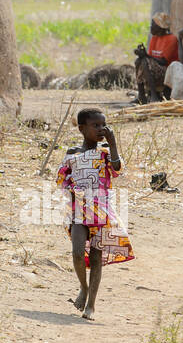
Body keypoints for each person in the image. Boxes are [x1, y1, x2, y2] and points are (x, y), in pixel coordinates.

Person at [55, 108, 134, 320]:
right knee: (78, 252)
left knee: (97, 257)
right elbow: (61, 179)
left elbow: (117, 169)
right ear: (82, 129)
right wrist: (72, 191)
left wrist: (114, 143)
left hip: (101, 210)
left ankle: (91, 305)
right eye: (95, 126)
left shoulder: (106, 153)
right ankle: (83, 286)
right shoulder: (72, 153)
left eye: (103, 125)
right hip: (78, 209)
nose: (101, 130)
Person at [133, 11, 178, 102]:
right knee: (139, 61)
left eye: (153, 24)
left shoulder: (172, 39)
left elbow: (163, 61)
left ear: (160, 27)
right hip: (155, 69)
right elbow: (150, 57)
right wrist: (142, 54)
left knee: (145, 61)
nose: (151, 27)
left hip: (168, 71)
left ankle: (154, 95)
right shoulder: (155, 38)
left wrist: (145, 56)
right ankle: (141, 95)